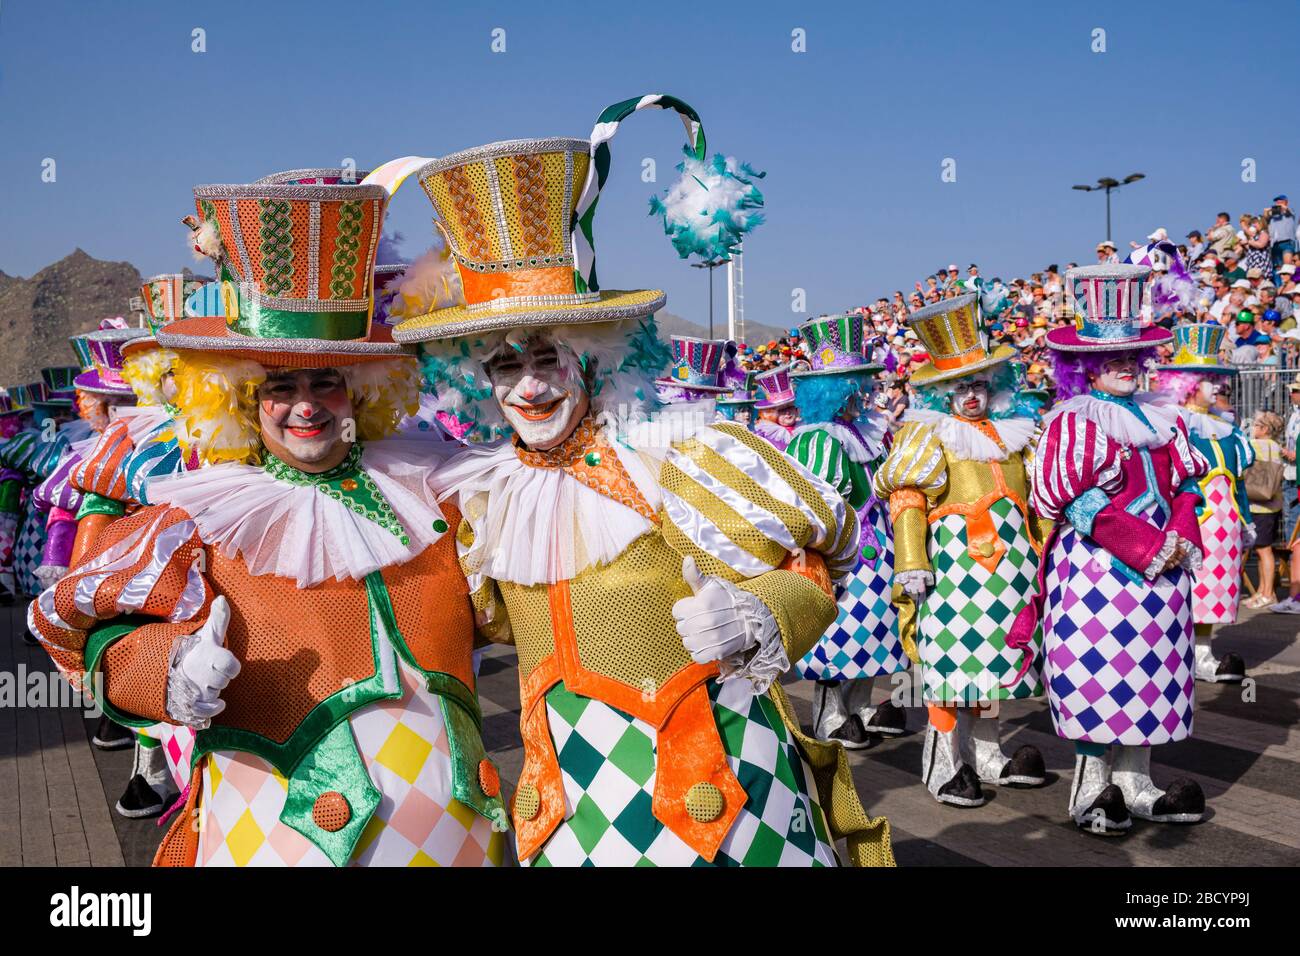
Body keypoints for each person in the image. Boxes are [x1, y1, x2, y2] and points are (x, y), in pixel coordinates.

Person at [400, 97, 892, 867]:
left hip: (717, 795)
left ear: (595, 359)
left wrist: (760, 609)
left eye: (547, 360)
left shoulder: (674, 456)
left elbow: (815, 564)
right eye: (506, 365)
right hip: (573, 809)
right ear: (480, 382)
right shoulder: (483, 497)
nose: (528, 388)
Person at [30, 169, 509, 867]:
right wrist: (169, 671)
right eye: (280, 387)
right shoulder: (202, 516)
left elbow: (524, 589)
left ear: (362, 395)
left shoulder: (434, 492)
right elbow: (90, 629)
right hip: (275, 837)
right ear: (244, 402)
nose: (306, 405)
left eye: (327, 383)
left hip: (455, 835)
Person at [1024, 264, 1209, 834]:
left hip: (1162, 576)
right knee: (1100, 674)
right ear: (1085, 368)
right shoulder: (1073, 422)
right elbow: (1065, 502)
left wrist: (1177, 532)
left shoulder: (1162, 419)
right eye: (1111, 360)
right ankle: (1090, 790)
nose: (1125, 366)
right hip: (1099, 573)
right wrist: (1140, 542)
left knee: (1152, 673)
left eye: (1132, 356)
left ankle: (1137, 782)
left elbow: (1185, 486)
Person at [875, 293, 1049, 809]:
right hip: (956, 569)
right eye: (960, 387)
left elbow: (1035, 503)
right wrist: (911, 561)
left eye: (978, 385)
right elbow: (907, 497)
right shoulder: (931, 436)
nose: (971, 396)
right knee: (955, 663)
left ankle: (987, 752)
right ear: (943, 394)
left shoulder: (1012, 435)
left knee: (992, 663)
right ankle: (944, 761)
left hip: (1011, 572)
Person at [786, 314, 908, 749]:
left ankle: (859, 709)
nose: (862, 394)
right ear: (832, 392)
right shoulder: (817, 439)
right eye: (852, 386)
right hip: (844, 558)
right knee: (838, 635)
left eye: (862, 384)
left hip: (880, 552)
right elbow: (814, 508)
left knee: (875, 631)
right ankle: (830, 716)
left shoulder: (869, 435)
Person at [1153, 325, 1253, 683]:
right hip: (1191, 518)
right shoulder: (1175, 424)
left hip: (1225, 522)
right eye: (1209, 379)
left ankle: (1203, 652)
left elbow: (1237, 481)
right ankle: (1174, 652)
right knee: (1186, 586)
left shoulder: (1228, 430)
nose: (1217, 386)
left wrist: (1246, 519)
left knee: (1216, 588)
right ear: (1190, 384)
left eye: (1217, 379)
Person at [1244, 410, 1285, 608]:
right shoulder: (1276, 447)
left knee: (1264, 550)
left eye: (1256, 425)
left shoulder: (1256, 446)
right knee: (1262, 549)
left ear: (1265, 429)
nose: (1252, 428)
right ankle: (1263, 591)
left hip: (1259, 506)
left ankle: (1267, 593)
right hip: (1272, 504)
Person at [753, 363, 800, 451]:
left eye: (790, 407)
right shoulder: (766, 434)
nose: (787, 413)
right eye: (782, 410)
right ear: (772, 414)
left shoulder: (803, 427)